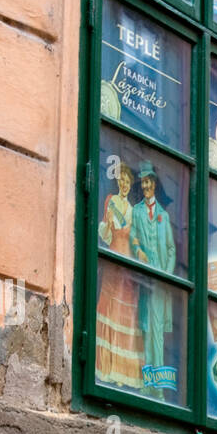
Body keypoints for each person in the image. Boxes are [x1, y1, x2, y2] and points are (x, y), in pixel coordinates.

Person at [95, 163, 143, 389]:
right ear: (117, 182)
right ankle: (107, 369)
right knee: (110, 309)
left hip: (128, 268)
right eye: (121, 180)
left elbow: (136, 241)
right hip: (113, 262)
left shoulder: (133, 211)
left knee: (125, 312)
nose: (124, 185)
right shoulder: (110, 201)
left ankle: (121, 374)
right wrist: (107, 220)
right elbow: (104, 234)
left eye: (127, 181)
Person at [130, 160, 177, 389]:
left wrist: (166, 275)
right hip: (143, 277)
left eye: (149, 181)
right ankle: (147, 381)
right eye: (143, 181)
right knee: (145, 326)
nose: (146, 185)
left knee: (156, 331)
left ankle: (156, 385)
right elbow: (133, 237)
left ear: (155, 184)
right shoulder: (137, 212)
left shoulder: (163, 216)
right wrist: (138, 251)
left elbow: (170, 248)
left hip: (160, 280)